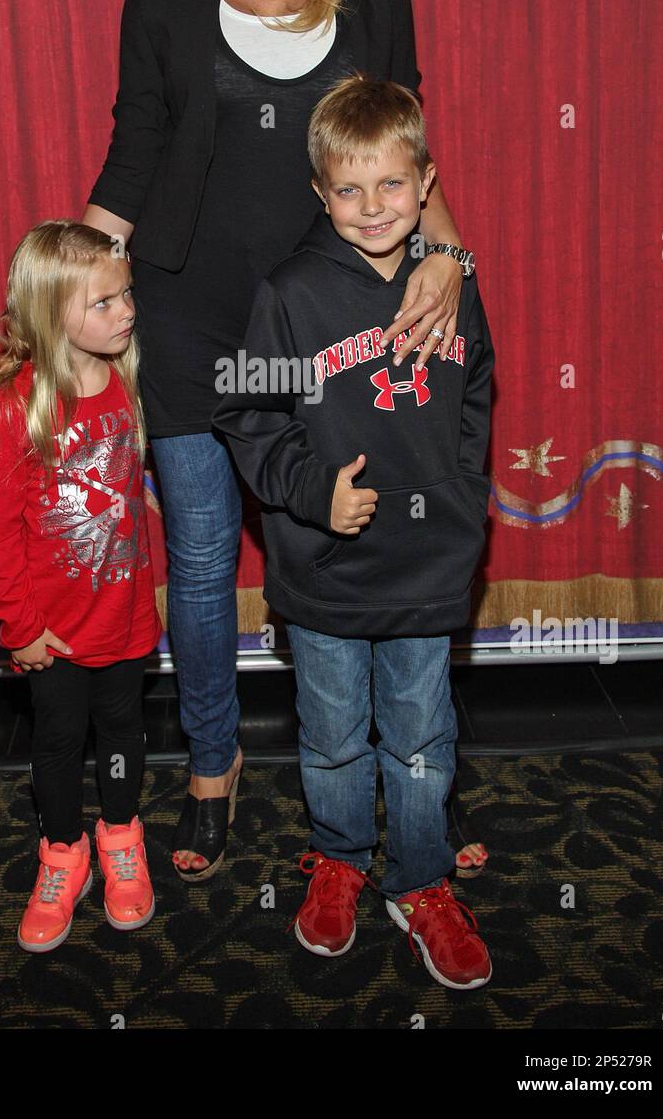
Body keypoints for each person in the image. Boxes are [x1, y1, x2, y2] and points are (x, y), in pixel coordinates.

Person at [83, 0, 478, 880]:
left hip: (333, 330)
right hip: (199, 322)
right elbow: (136, 143)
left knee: (372, 535)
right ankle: (212, 773)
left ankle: (415, 784)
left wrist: (446, 250)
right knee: (204, 561)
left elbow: (403, 135)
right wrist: (69, 280)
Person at [211, 75, 494, 989]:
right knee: (333, 734)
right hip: (326, 566)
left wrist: (462, 488)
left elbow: (478, 389)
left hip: (427, 565)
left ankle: (421, 881)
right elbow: (247, 411)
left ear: (426, 182)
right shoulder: (290, 294)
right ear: (320, 192)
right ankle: (338, 858)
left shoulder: (451, 286)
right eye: (349, 189)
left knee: (421, 735)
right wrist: (308, 493)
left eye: (393, 186)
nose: (373, 208)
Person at [0, 221, 162, 952]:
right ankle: (62, 853)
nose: (127, 310)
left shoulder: (126, 381)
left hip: (125, 618)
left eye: (126, 293)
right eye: (105, 302)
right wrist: (18, 627)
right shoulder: (21, 405)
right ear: (53, 314)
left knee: (122, 735)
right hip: (53, 630)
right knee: (56, 741)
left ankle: (120, 840)